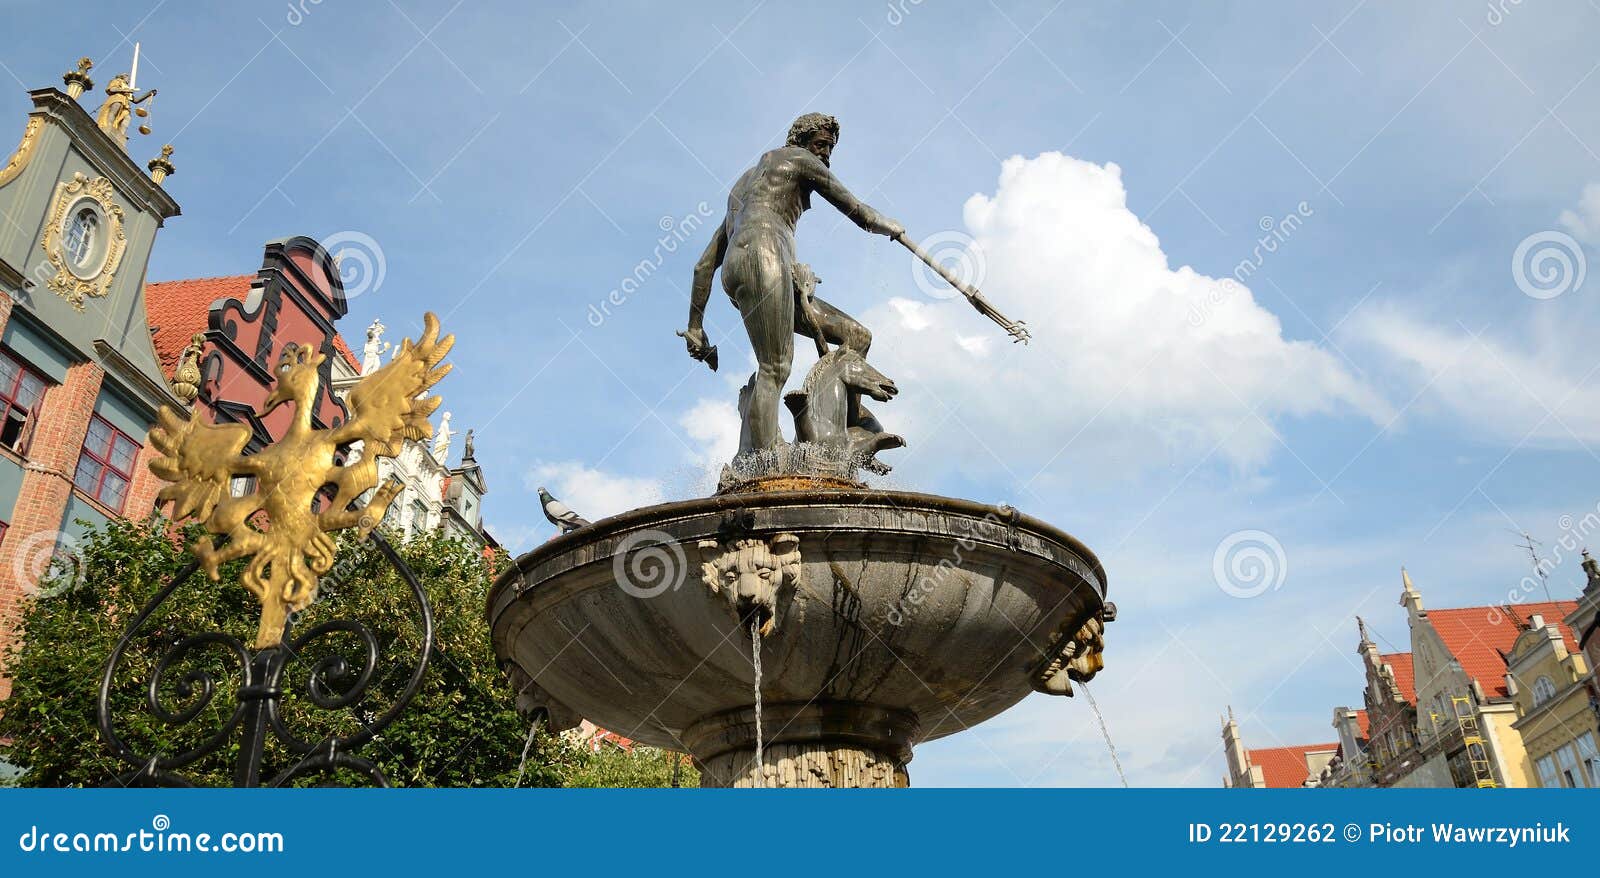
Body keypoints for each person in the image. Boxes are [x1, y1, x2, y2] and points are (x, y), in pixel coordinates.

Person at [681, 112, 902, 454]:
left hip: (760, 267)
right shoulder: (798, 158)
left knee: (857, 336)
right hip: (764, 258)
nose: (826, 155)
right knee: (774, 367)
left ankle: (844, 424)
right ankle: (767, 460)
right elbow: (859, 211)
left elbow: (704, 265)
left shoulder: (743, 190)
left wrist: (696, 327)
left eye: (831, 148)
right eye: (821, 145)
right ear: (800, 141)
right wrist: (889, 225)